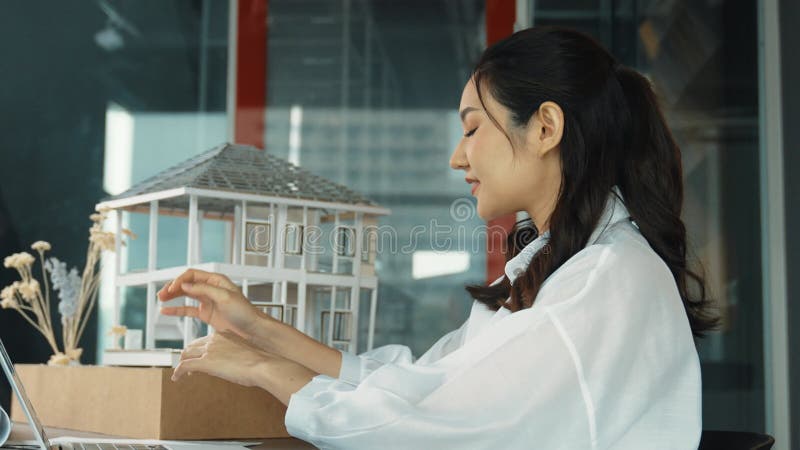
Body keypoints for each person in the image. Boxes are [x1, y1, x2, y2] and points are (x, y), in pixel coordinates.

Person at [157, 26, 717, 449]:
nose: (457, 157)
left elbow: (421, 427)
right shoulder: (562, 266)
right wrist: (258, 329)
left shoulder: (606, 281)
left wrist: (262, 368)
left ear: (546, 127)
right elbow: (419, 384)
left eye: (472, 128)